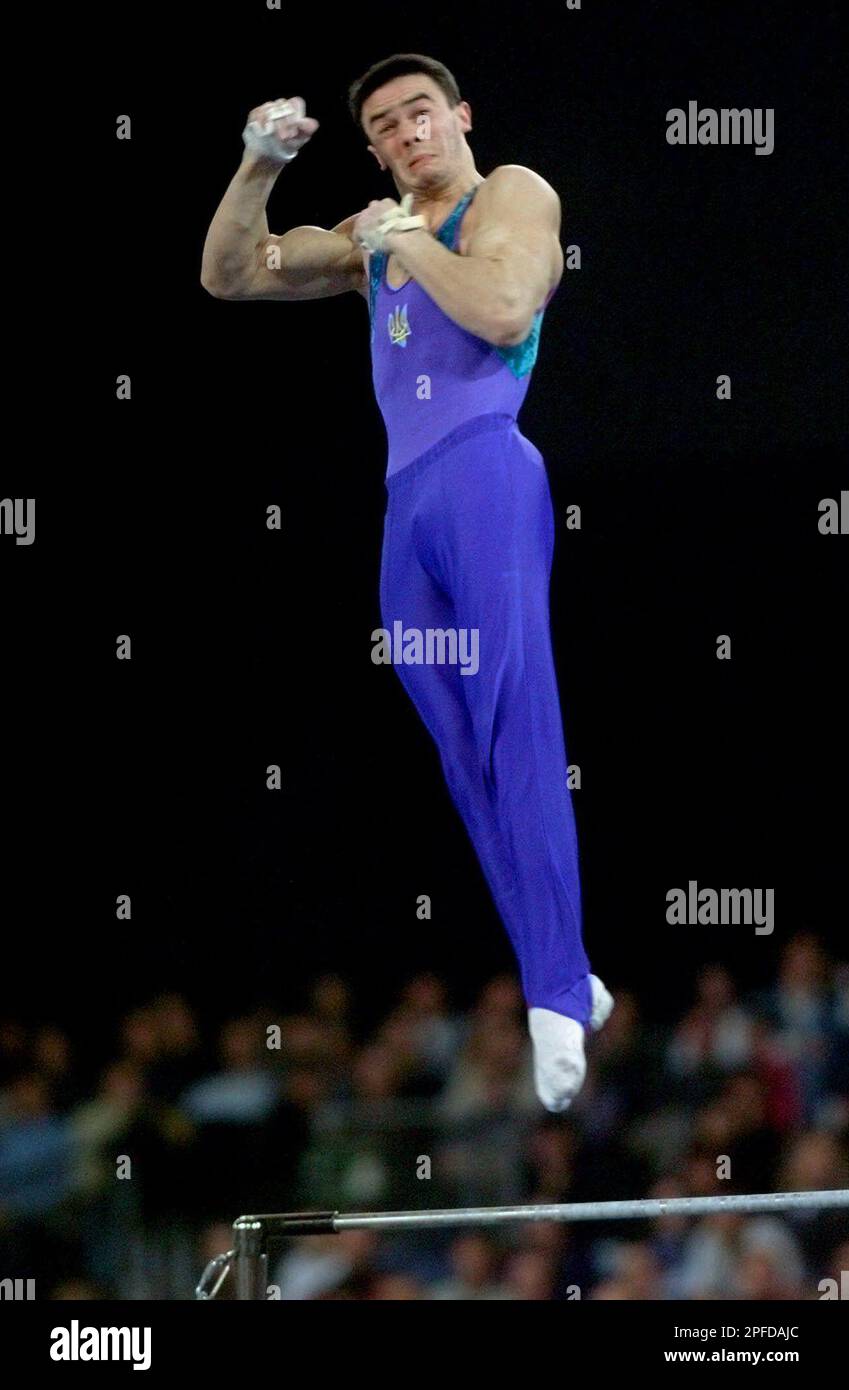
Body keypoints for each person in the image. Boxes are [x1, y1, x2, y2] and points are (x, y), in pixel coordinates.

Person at [201, 53, 614, 1112]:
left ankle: (558, 988)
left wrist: (408, 239)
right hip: (407, 515)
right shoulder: (369, 237)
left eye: (420, 113)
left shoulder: (508, 195)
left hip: (485, 473)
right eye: (385, 126)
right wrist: (256, 168)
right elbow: (231, 274)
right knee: (464, 749)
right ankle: (563, 969)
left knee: (519, 718)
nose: (406, 134)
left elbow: (508, 309)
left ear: (460, 115)